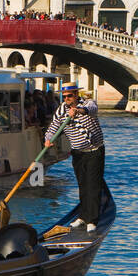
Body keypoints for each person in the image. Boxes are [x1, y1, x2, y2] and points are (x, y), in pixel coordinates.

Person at [44, 83, 105, 232]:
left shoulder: (87, 103)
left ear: (76, 95)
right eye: (64, 96)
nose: (66, 99)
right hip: (77, 153)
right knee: (83, 185)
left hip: (94, 151)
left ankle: (92, 219)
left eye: (69, 96)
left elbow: (92, 110)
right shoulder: (61, 111)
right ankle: (83, 216)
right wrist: (48, 138)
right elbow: (53, 127)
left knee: (93, 185)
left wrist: (78, 111)